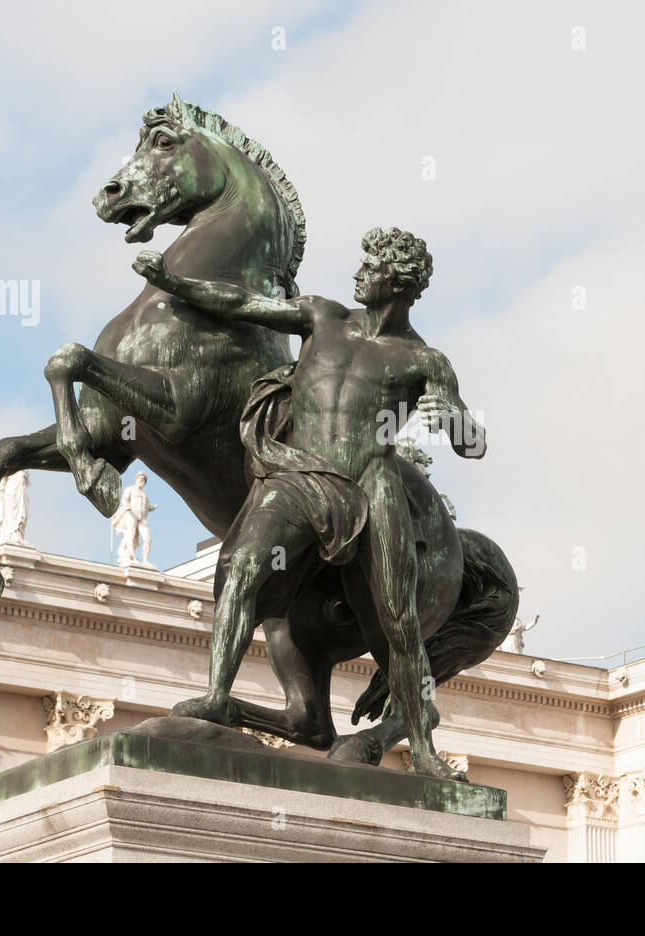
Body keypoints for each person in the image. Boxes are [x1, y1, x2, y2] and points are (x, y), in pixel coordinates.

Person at [134, 227, 484, 780]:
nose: (358, 274)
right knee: (240, 565)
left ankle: (422, 751)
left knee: (397, 622)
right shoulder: (323, 317)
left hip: (373, 483)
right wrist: (173, 282)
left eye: (371, 268)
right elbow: (245, 304)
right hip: (301, 473)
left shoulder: (425, 361)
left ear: (399, 283)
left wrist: (454, 419)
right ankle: (216, 698)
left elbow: (472, 443)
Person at [111, 471, 158, 568]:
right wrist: (127, 506)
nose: (142, 481)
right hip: (131, 515)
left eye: (143, 480)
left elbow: (147, 507)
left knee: (147, 538)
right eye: (140, 479)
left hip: (142, 519)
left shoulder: (145, 495)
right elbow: (125, 499)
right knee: (130, 535)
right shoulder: (131, 489)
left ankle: (145, 560)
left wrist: (153, 507)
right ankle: (132, 556)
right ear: (136, 480)